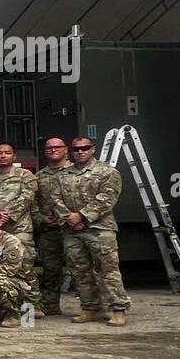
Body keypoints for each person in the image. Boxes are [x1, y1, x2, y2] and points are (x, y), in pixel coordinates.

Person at [57, 137, 130, 326]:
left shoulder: (107, 172)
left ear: (93, 149)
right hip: (72, 230)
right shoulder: (64, 175)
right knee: (79, 271)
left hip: (100, 229)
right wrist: (71, 219)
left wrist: (82, 216)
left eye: (85, 148)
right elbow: (55, 199)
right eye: (76, 149)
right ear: (71, 151)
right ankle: (90, 308)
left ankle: (118, 309)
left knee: (108, 270)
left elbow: (107, 198)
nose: (80, 152)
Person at [0, 142, 42, 315]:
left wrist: (7, 216)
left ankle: (33, 306)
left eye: (7, 153)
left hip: (19, 228)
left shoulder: (26, 176)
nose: (3, 156)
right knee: (0, 267)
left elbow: (27, 198)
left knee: (26, 266)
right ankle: (5, 305)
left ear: (14, 156)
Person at [34, 137, 71, 316]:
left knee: (83, 267)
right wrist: (41, 218)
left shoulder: (75, 172)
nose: (53, 150)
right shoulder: (39, 176)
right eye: (49, 148)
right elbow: (33, 203)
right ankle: (50, 305)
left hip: (73, 228)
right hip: (49, 229)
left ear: (66, 149)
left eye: (58, 147)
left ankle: (93, 305)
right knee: (50, 268)